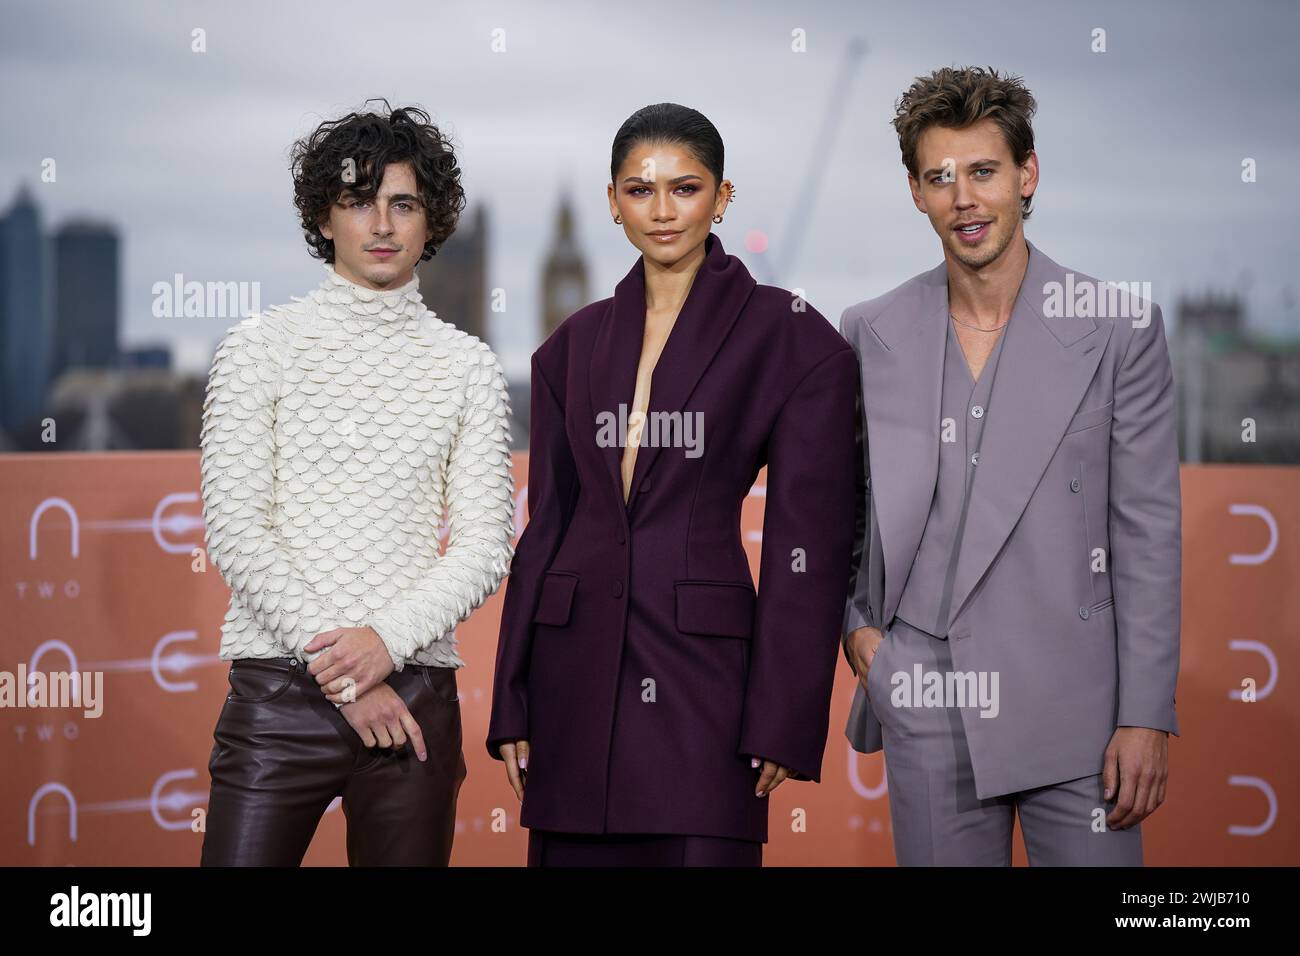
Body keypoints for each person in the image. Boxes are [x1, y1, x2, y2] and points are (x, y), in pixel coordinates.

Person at [486, 103, 857, 866]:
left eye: (685, 189)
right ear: (613, 202)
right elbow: (548, 526)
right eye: (639, 189)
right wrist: (512, 697)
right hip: (571, 682)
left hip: (703, 691)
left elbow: (807, 545)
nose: (661, 211)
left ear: (722, 198)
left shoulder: (792, 338)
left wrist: (783, 717)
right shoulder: (569, 346)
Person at [840, 67, 1181, 865]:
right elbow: (841, 508)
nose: (964, 197)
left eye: (984, 171)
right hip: (926, 699)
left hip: (1080, 713)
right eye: (940, 176)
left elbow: (1147, 534)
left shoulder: (1118, 328)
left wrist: (1144, 716)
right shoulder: (871, 330)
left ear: (1027, 175)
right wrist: (861, 634)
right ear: (917, 192)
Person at [198, 101, 515, 866]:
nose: (381, 223)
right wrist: (348, 675)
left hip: (412, 700)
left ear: (431, 220)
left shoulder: (468, 367)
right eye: (357, 200)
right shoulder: (258, 348)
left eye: (402, 203)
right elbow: (238, 532)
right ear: (323, 215)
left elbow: (482, 548)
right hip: (279, 699)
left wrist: (386, 645)